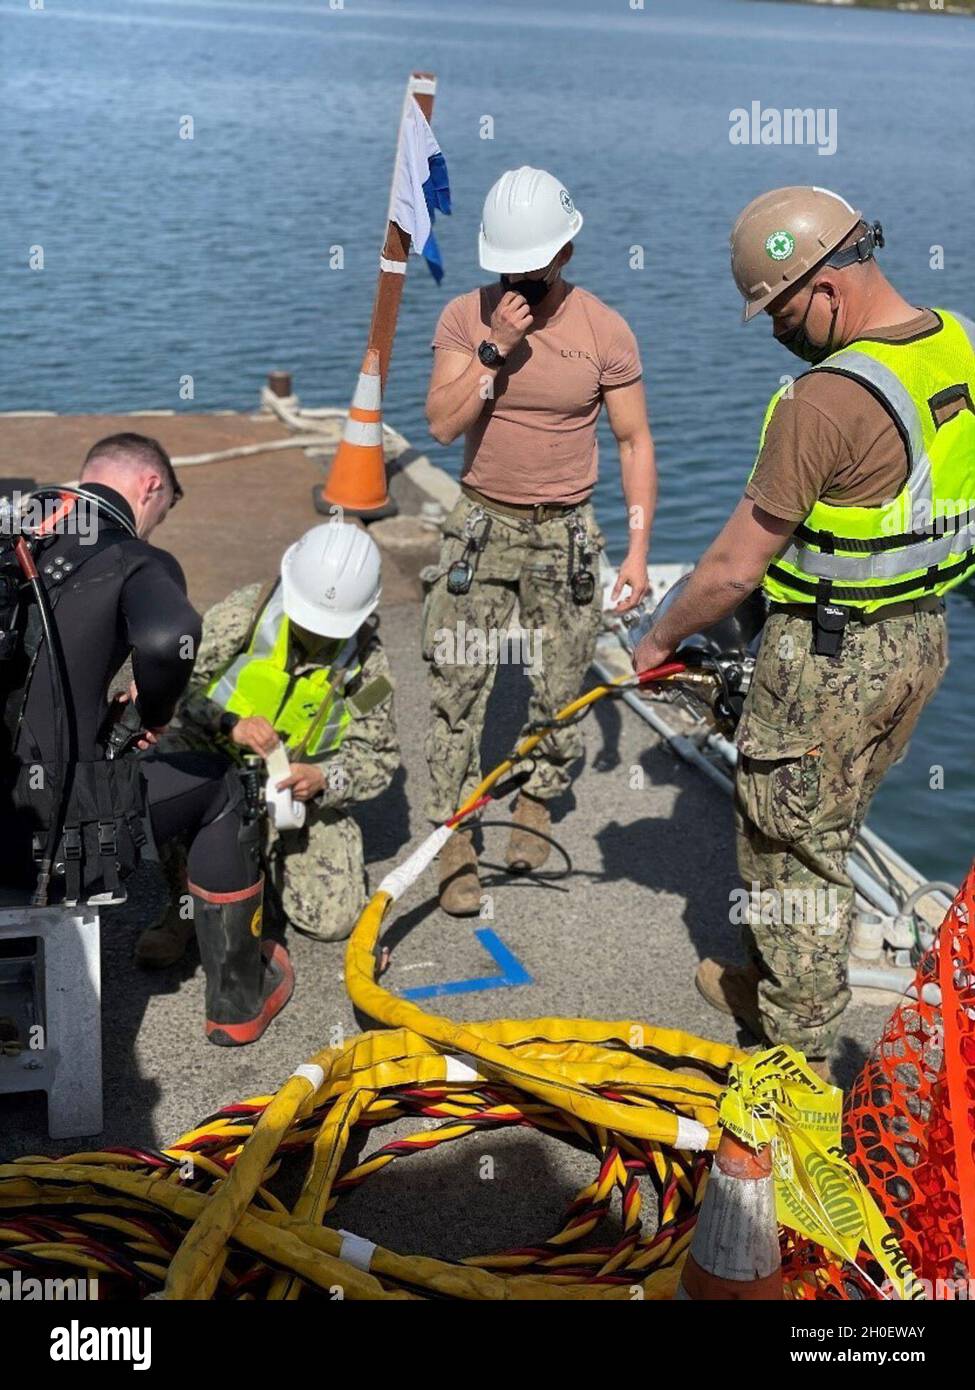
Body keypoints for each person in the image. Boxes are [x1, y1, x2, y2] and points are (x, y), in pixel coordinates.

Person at [633, 186, 975, 1077]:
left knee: (790, 859)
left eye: (779, 309)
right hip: (917, 644)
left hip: (827, 660)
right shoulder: (958, 342)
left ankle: (796, 1064)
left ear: (823, 285)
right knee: (831, 826)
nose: (777, 330)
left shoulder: (822, 402)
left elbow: (730, 569)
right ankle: (771, 981)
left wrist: (657, 640)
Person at [0, 433, 293, 1046]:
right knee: (224, 785)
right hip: (35, 846)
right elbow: (169, 634)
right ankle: (238, 1003)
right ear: (151, 487)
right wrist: (154, 712)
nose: (155, 525)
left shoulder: (15, 524)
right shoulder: (132, 557)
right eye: (162, 512)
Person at [424, 164, 657, 915]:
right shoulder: (467, 317)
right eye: (508, 267)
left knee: (559, 686)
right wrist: (493, 349)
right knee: (457, 683)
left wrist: (638, 548)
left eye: (535, 265)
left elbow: (632, 440)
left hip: (566, 532)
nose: (523, 278)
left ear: (565, 254)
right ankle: (455, 832)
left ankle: (535, 800)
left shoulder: (605, 331)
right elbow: (440, 423)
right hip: (481, 524)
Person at [137, 521, 399, 963]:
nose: (316, 635)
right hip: (217, 765)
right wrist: (228, 722)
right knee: (166, 773)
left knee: (332, 920)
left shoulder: (367, 665)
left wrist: (324, 779)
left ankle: (260, 873)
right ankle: (184, 905)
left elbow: (380, 757)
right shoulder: (245, 613)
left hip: (295, 799)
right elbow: (175, 688)